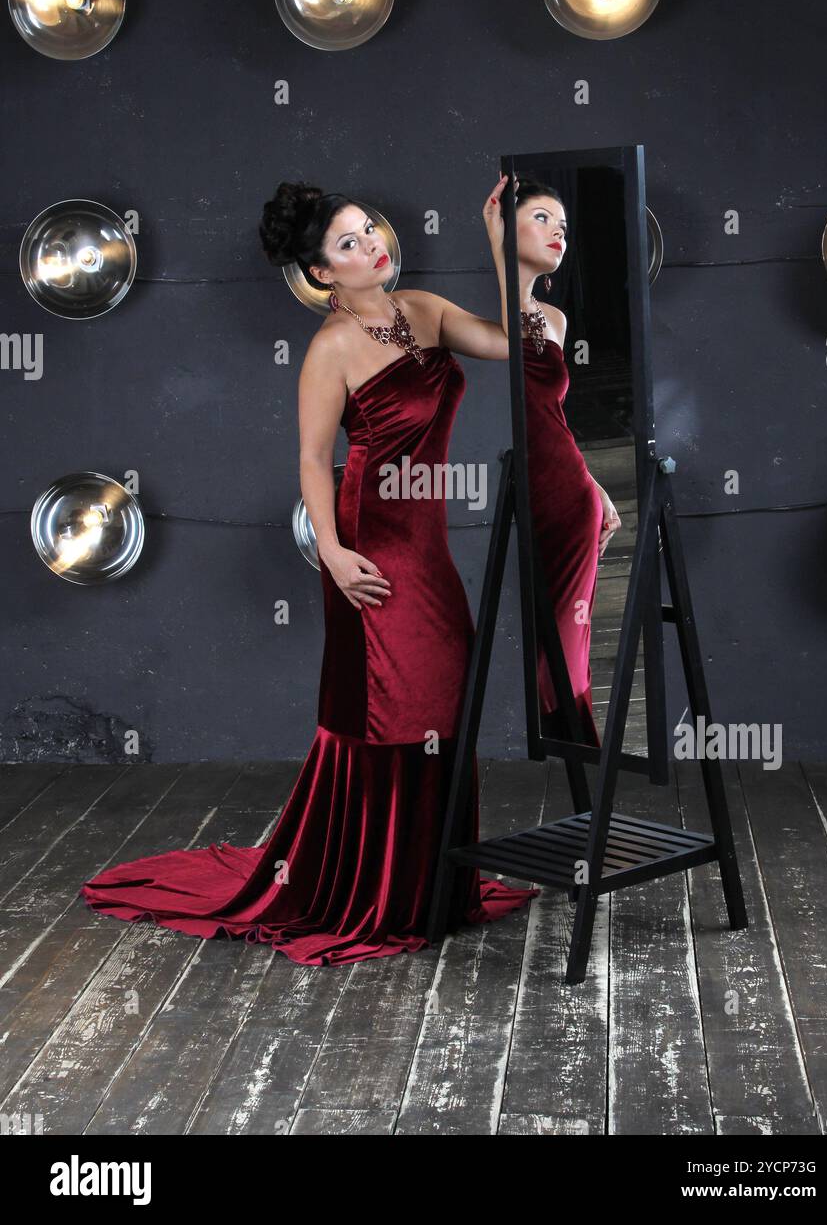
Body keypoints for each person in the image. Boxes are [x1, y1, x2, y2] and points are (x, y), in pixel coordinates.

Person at [79, 181, 539, 966]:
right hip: (370, 539)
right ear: (323, 274)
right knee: (385, 711)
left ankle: (432, 886)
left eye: (369, 231)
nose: (371, 247)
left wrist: (505, 249)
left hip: (427, 544)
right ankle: (374, 891)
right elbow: (310, 458)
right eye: (348, 244)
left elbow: (519, 342)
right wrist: (328, 548)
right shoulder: (329, 348)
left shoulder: (422, 309)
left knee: (444, 699)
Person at [482, 173, 621, 744]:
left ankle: (576, 746)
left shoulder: (556, 319)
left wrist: (596, 485)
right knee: (551, 628)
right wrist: (495, 243)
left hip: (569, 490)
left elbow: (554, 418)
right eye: (541, 218)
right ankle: (567, 744)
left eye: (563, 226)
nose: (558, 233)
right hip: (536, 486)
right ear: (504, 223)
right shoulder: (489, 318)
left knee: (569, 628)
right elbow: (510, 334)